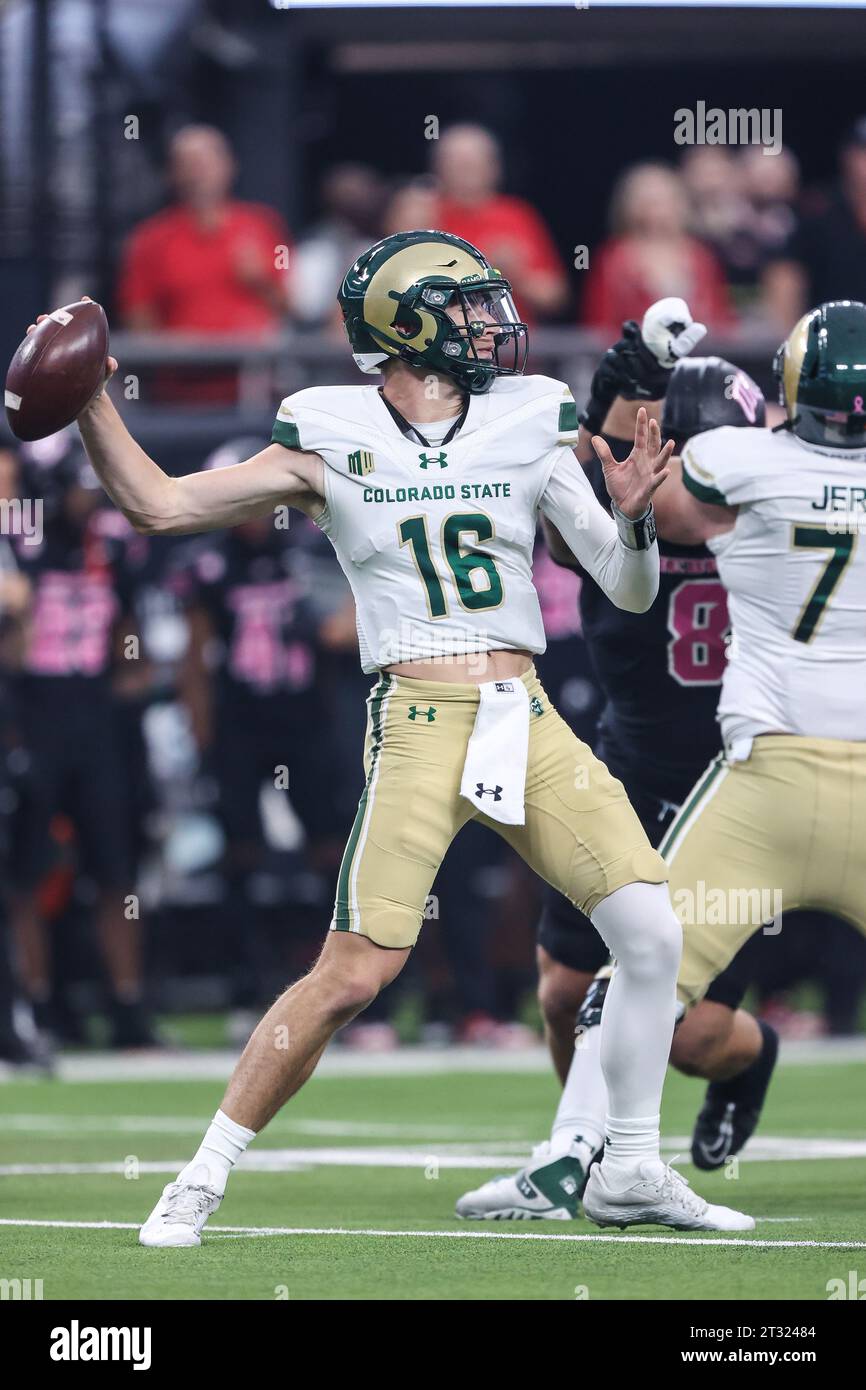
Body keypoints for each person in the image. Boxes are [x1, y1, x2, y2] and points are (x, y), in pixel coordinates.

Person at [43, 230, 752, 1244]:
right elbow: (157, 506)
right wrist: (91, 405)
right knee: (351, 975)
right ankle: (197, 1179)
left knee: (649, 933)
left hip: (526, 712)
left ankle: (629, 1164)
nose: (486, 323)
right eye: (463, 306)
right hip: (418, 721)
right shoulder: (327, 430)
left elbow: (625, 585)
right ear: (407, 324)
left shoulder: (527, 418)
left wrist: (633, 519)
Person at [467, 299, 866, 1220]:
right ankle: (590, 1158)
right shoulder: (743, 458)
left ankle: (596, 1155)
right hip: (663, 770)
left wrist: (623, 415)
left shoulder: (740, 468)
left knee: (648, 979)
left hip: (758, 776)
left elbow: (642, 505)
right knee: (590, 982)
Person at [7, 432, 157, 1049]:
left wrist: (127, 680)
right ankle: (33, 1006)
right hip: (32, 715)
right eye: (78, 490)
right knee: (23, 875)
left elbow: (132, 639)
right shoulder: (19, 545)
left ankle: (126, 1008)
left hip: (95, 719)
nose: (88, 503)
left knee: (116, 873)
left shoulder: (113, 545)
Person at [430, 125, 567, 323]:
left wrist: (515, 276)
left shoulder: (517, 215)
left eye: (472, 164)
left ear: (494, 167)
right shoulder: (422, 215)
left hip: (510, 345)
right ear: (438, 168)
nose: (465, 172)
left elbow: (554, 297)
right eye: (457, 164)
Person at [582, 163, 734, 336]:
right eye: (649, 202)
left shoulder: (700, 256)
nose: (657, 210)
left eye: (664, 201)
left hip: (695, 354)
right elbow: (599, 323)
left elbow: (720, 316)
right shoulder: (613, 258)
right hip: (635, 356)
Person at [763, 119, 866, 332]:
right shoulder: (817, 211)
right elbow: (785, 274)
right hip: (828, 341)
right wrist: (788, 340)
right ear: (850, 157)